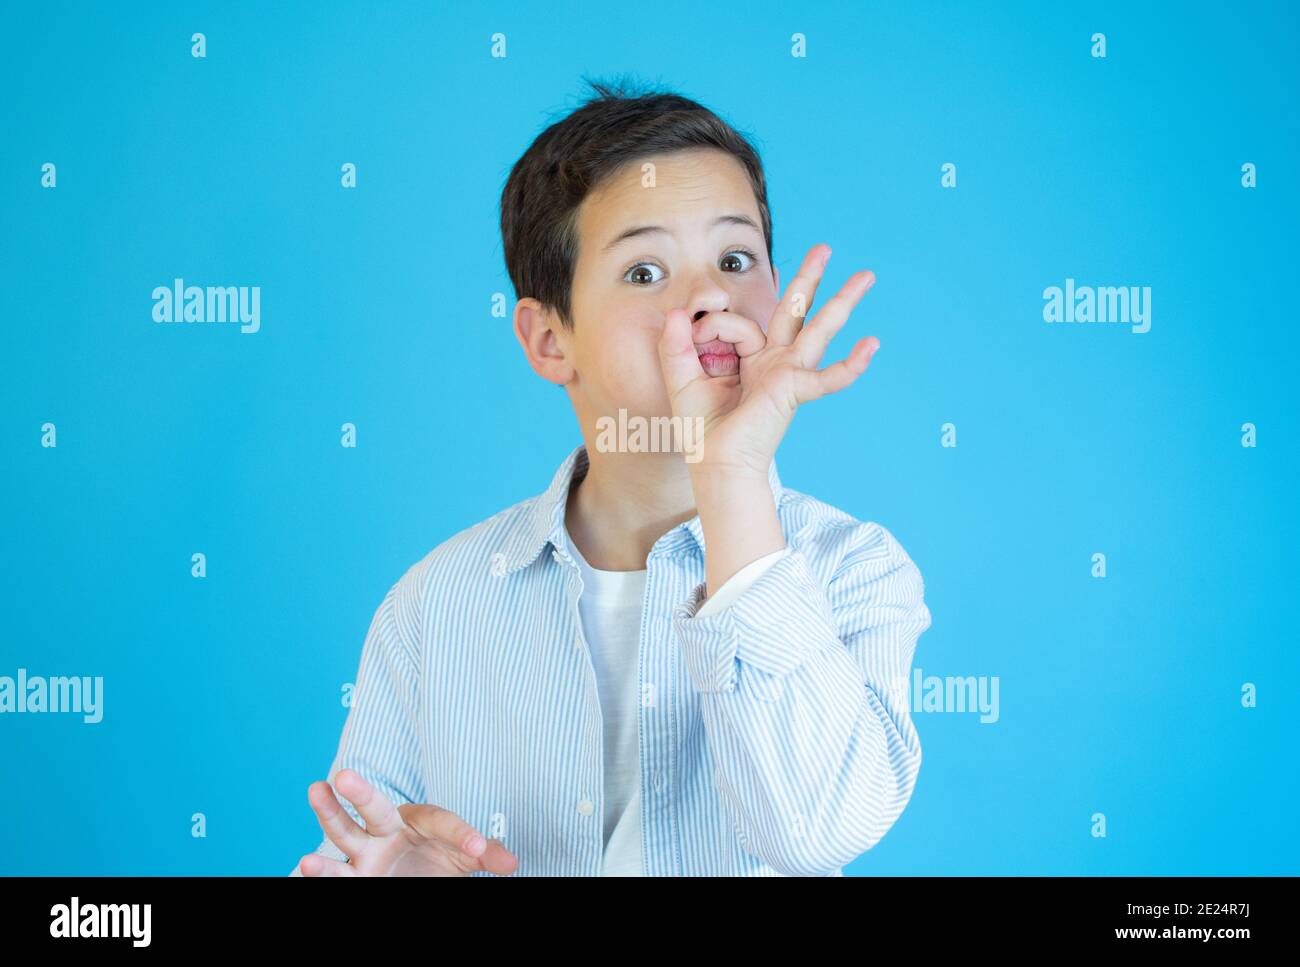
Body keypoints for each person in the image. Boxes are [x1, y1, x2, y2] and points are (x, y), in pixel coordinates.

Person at [291, 77, 932, 877]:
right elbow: (362, 850)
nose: (709, 297)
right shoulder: (433, 605)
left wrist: (728, 471)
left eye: (735, 258)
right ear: (549, 339)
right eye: (644, 272)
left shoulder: (854, 567)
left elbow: (815, 833)